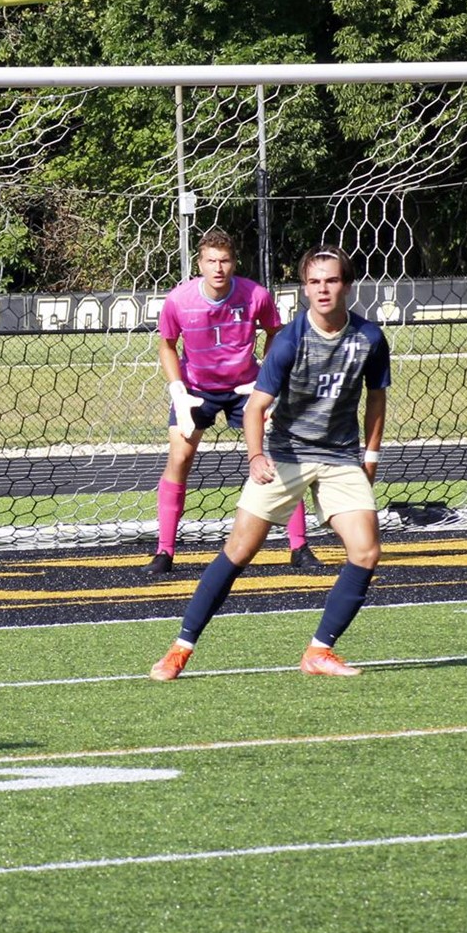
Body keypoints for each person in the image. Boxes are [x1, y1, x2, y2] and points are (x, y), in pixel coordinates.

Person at [149, 245, 390, 682]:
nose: (323, 289)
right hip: (285, 455)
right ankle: (181, 647)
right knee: (239, 551)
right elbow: (257, 407)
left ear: (347, 286)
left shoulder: (369, 338)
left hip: (338, 457)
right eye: (314, 282)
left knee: (366, 551)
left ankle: (319, 651)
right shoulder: (292, 340)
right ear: (304, 288)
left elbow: (377, 398)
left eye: (331, 281)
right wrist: (257, 456)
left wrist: (370, 456)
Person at [146, 228, 319, 575]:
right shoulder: (178, 300)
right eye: (211, 260)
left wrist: (265, 379)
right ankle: (164, 551)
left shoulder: (256, 295)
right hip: (196, 389)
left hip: (246, 389)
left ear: (234, 262)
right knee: (179, 456)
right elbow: (166, 344)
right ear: (200, 263)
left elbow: (275, 333)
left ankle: (299, 547)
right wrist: (177, 390)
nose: (218, 267)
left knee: (277, 457)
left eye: (224, 260)